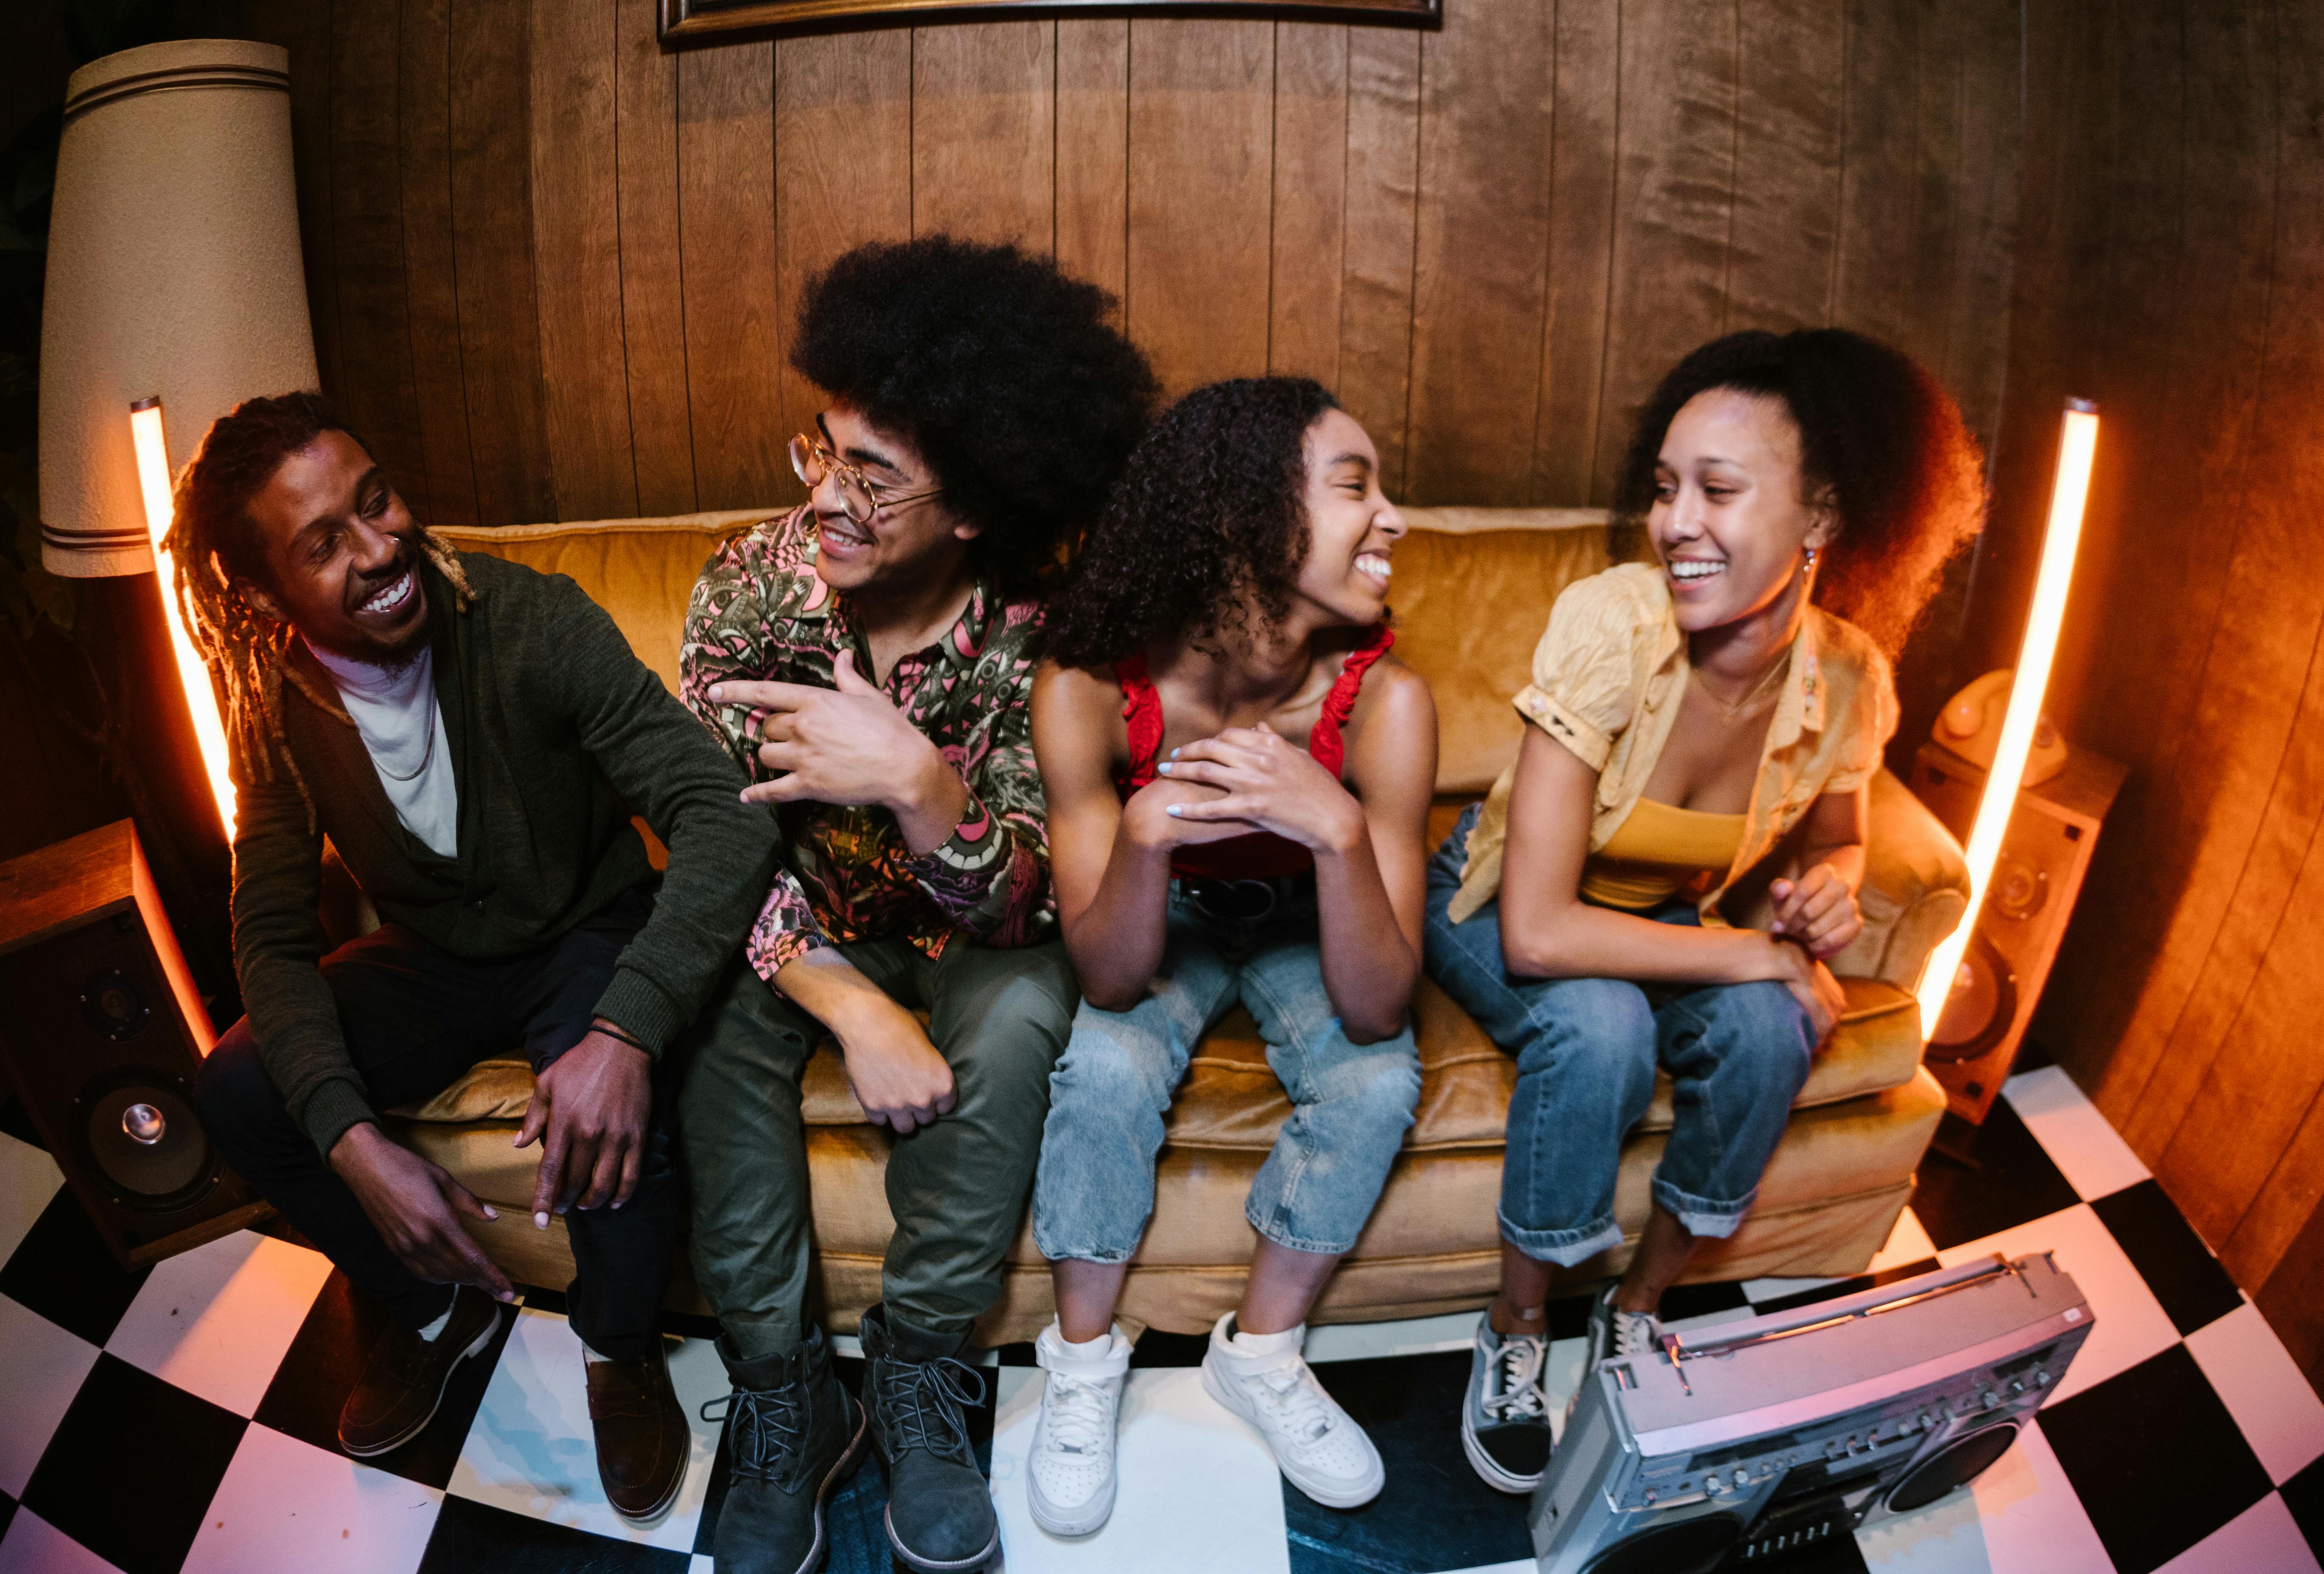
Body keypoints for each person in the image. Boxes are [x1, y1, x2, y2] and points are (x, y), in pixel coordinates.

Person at [181, 392, 778, 1521]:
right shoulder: (269, 701)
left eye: (378, 501)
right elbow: (269, 931)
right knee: (237, 1086)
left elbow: (723, 813)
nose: (381, 548)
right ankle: (420, 1311)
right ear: (265, 594)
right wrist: (352, 1141)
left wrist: (625, 1026)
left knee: (618, 1116)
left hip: (585, 930)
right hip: (434, 960)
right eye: (326, 544)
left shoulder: (530, 622)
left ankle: (619, 1349)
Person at [1424, 328, 1985, 1496]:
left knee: (1775, 1027)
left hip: (1662, 926)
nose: (1677, 520)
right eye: (1667, 487)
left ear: (1824, 516)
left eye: (1719, 491)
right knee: (1601, 1026)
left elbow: (1837, 834)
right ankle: (1519, 1325)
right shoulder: (1613, 624)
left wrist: (1820, 894)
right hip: (1499, 901)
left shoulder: (1851, 678)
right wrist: (1759, 953)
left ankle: (1638, 1310)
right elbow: (1537, 932)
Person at [674, 237, 1159, 1574]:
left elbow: (1033, 908)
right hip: (791, 926)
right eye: (819, 450)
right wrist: (841, 1002)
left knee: (1022, 1014)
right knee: (704, 1020)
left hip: (967, 931)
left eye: (873, 473)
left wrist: (920, 784)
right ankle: (785, 1395)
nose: (828, 496)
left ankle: (920, 1371)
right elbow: (700, 853)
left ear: (975, 508)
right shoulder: (749, 589)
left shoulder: (1042, 633)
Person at [1020, 377, 1436, 1534]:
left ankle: (1260, 1353)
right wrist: (1147, 836)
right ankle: (1085, 1361)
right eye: (1357, 487)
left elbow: (1375, 1008)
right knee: (1102, 1067)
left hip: (1308, 910)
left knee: (1378, 1079)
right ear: (1246, 520)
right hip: (1172, 922)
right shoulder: (1090, 687)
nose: (1393, 518)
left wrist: (1338, 828)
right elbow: (1108, 979)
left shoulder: (1387, 704)